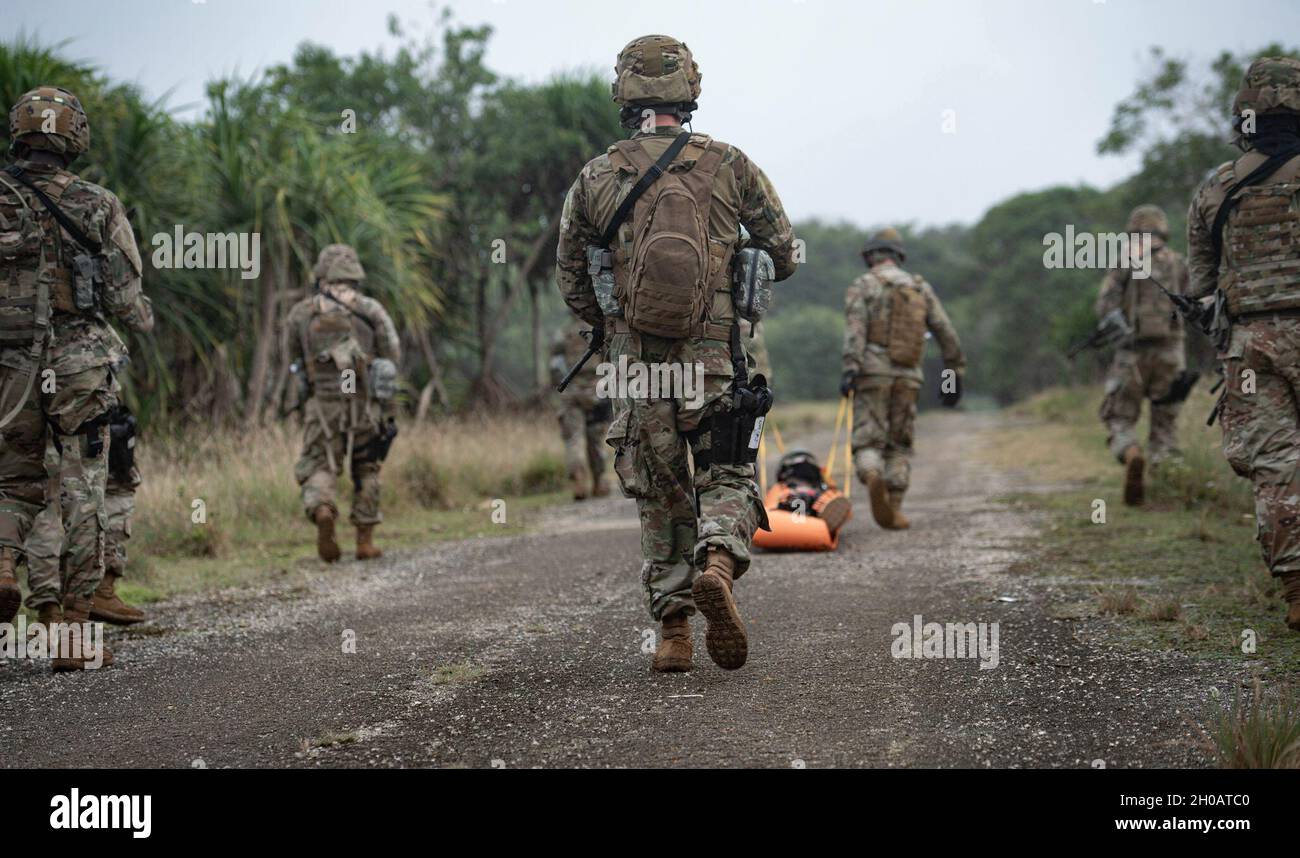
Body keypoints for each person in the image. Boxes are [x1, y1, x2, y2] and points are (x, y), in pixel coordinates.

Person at [556, 35, 797, 672]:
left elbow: (572, 276)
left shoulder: (597, 175)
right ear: (689, 88)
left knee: (660, 493)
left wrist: (612, 324)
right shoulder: (730, 164)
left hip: (636, 364)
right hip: (715, 357)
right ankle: (717, 563)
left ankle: (674, 635)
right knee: (726, 474)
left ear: (623, 92)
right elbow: (785, 254)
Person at [0, 86, 153, 670]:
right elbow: (122, 295)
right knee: (84, 487)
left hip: (9, 366)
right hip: (77, 363)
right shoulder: (97, 203)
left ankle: (6, 565)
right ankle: (72, 635)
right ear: (75, 136)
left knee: (12, 484)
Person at [1187, 56, 1300, 631]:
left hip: (1252, 341)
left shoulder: (1218, 188)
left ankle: (1297, 587)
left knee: (1276, 465)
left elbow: (1202, 288)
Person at [841, 228, 964, 530]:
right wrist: (954, 373)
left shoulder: (863, 286)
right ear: (898, 256)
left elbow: (855, 331)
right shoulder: (919, 288)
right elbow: (945, 331)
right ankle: (894, 507)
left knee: (868, 439)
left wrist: (850, 369)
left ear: (870, 256)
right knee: (899, 443)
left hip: (872, 372)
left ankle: (872, 474)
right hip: (909, 375)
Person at [284, 244, 401, 563]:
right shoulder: (370, 309)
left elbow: (291, 356)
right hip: (363, 401)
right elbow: (392, 351)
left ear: (321, 273)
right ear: (354, 274)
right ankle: (364, 540)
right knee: (367, 464)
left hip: (323, 403)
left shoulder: (302, 312)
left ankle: (323, 509)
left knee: (319, 463)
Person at [1096, 205, 1192, 506]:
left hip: (1132, 354)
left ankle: (1131, 452)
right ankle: (1169, 491)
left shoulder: (1125, 262)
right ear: (1163, 230)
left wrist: (1120, 336)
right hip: (1171, 353)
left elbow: (1104, 307)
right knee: (1166, 425)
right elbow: (1195, 303)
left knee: (1118, 416)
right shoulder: (1179, 262)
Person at [550, 318, 611, 500]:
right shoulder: (601, 330)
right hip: (596, 391)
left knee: (573, 440)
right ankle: (599, 481)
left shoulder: (563, 335)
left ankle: (578, 478)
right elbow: (610, 361)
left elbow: (554, 367)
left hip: (571, 391)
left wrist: (561, 387)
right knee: (596, 440)